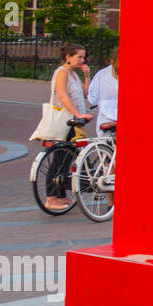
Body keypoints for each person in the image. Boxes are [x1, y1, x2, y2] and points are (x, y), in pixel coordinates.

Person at [43, 43, 92, 211]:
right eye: (79, 57)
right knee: (60, 158)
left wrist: (87, 77)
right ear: (68, 57)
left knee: (68, 157)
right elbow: (63, 96)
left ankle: (61, 195)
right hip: (65, 120)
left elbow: (85, 94)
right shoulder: (62, 72)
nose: (82, 60)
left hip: (74, 121)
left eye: (83, 57)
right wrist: (77, 114)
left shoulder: (73, 74)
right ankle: (51, 198)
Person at [86, 47, 119, 134]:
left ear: (112, 60)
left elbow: (93, 98)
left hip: (105, 118)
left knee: (105, 141)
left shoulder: (102, 74)